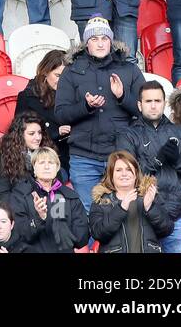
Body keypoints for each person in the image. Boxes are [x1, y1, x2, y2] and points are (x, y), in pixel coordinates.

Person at [54, 17, 146, 210]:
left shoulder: (129, 69)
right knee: (88, 213)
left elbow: (146, 110)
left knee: (123, 210)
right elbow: (61, 115)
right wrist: (85, 106)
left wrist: (122, 96)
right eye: (94, 39)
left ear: (111, 40)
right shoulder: (71, 72)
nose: (100, 43)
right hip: (83, 158)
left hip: (120, 156)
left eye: (104, 38)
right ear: (86, 43)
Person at [117, 81, 181, 253]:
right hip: (142, 216)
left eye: (158, 101)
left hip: (175, 217)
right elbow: (126, 175)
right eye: (148, 102)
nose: (153, 106)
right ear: (140, 105)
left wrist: (178, 160)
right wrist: (158, 160)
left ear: (165, 103)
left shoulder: (180, 133)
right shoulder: (128, 135)